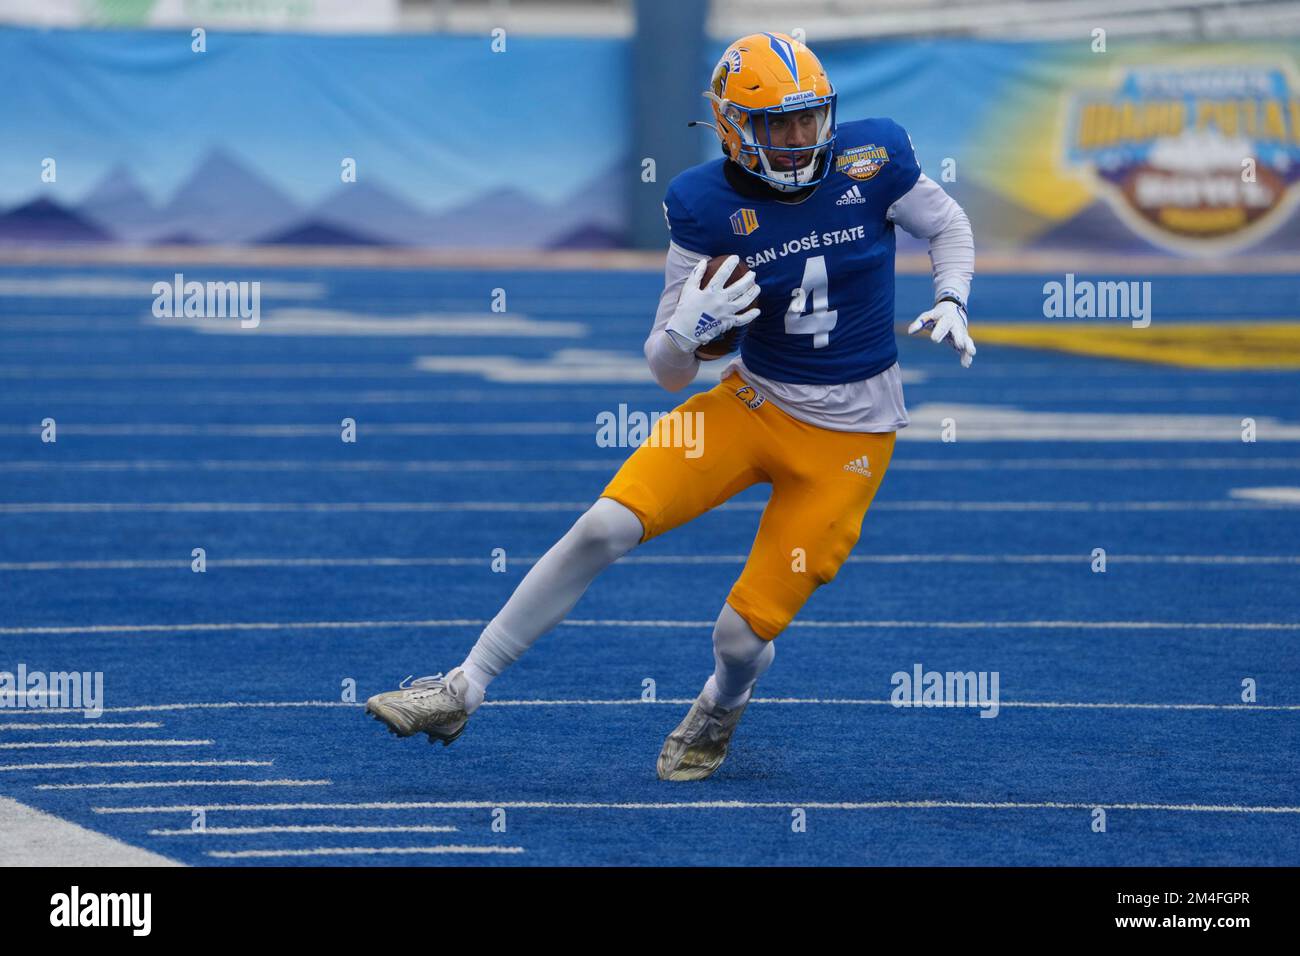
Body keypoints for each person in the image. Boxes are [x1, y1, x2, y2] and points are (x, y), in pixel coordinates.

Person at [365, 32, 976, 781]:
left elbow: (947, 224)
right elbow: (666, 370)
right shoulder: (703, 204)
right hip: (753, 403)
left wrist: (952, 297)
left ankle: (723, 701)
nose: (797, 139)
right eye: (777, 125)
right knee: (603, 526)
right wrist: (685, 331)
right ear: (732, 128)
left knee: (738, 639)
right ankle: (463, 685)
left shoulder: (873, 158)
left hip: (850, 438)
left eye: (809, 119)